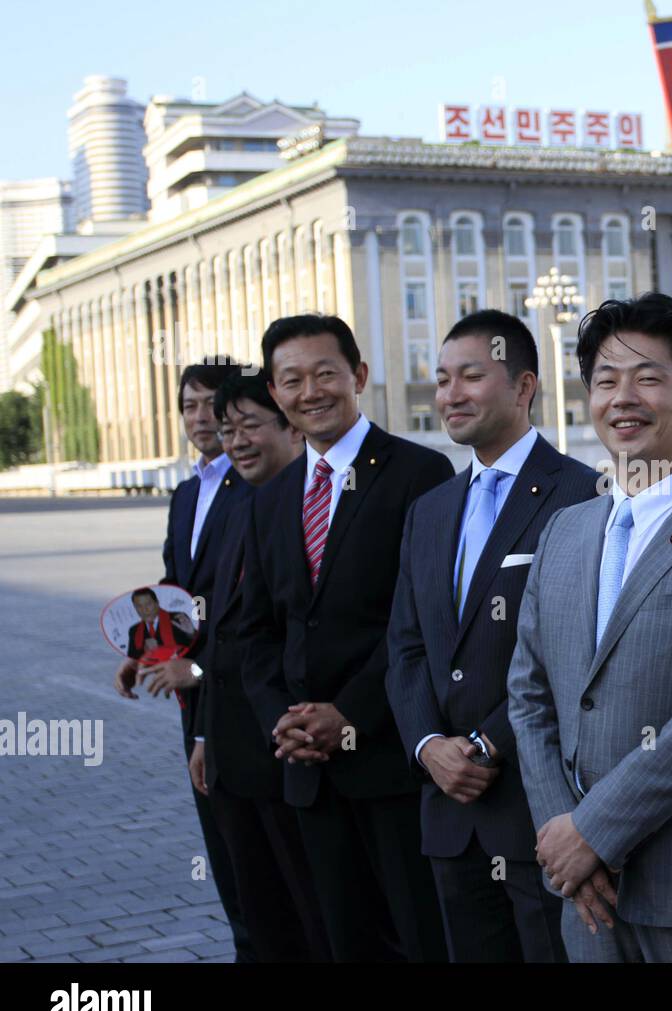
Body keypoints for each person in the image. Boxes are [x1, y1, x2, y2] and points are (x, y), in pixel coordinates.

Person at [508, 292, 672, 963]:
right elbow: (528, 697)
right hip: (584, 893)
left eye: (648, 377)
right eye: (604, 380)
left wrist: (591, 831)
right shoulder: (565, 529)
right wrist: (562, 833)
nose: (623, 397)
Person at [239, 313, 454, 962]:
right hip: (309, 772)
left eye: (325, 372)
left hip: (393, 761)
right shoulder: (270, 498)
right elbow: (255, 632)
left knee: (424, 939)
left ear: (358, 375)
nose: (311, 391)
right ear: (276, 393)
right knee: (343, 943)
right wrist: (285, 718)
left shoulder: (421, 474)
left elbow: (421, 619)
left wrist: (349, 714)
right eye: (292, 379)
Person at [387, 309, 599, 962]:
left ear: (525, 385)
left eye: (471, 376)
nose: (450, 394)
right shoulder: (431, 508)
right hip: (450, 814)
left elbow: (578, 649)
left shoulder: (581, 494)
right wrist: (429, 746)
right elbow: (406, 646)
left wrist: (484, 744)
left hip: (541, 812)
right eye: (442, 379)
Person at [111, 357, 253, 961]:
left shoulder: (255, 485)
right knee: (221, 846)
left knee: (253, 852)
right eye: (189, 406)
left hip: (237, 693)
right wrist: (142, 646)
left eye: (211, 406)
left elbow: (241, 605)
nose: (200, 418)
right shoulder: (187, 492)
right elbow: (177, 590)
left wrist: (196, 670)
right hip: (191, 694)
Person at [187, 369, 331, 962]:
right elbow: (228, 638)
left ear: (292, 431)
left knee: (313, 920)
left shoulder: (318, 513)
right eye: (227, 430)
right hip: (233, 757)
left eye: (250, 426)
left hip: (299, 759)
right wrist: (202, 730)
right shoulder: (237, 509)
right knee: (258, 919)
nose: (236, 441)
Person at [125, 588, 194, 660]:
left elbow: (197, 649)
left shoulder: (178, 619)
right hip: (151, 670)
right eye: (139, 606)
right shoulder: (134, 630)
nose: (145, 610)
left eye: (148, 604)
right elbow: (132, 661)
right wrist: (145, 651)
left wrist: (191, 634)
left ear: (157, 603)